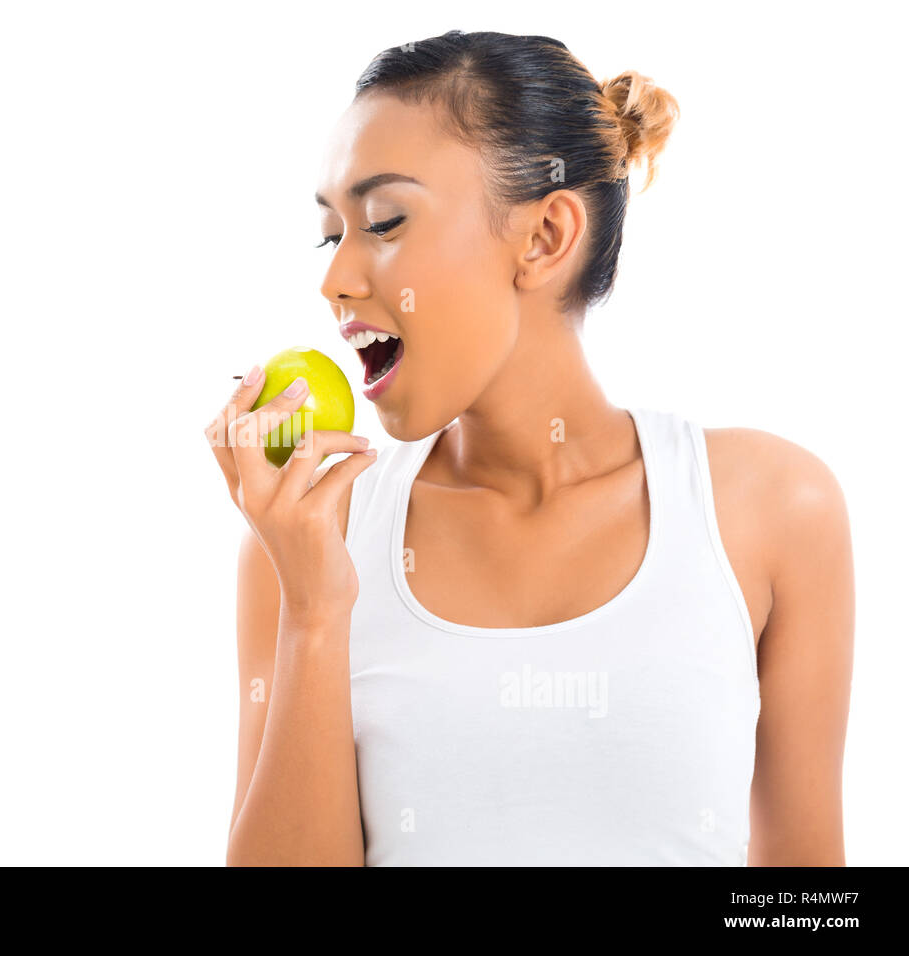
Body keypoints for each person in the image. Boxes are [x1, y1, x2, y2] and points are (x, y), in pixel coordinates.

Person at [205, 30, 853, 866]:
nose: (335, 279)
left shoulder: (772, 508)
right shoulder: (304, 545)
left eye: (385, 222)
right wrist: (315, 614)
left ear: (545, 237)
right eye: (334, 236)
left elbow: (806, 900)